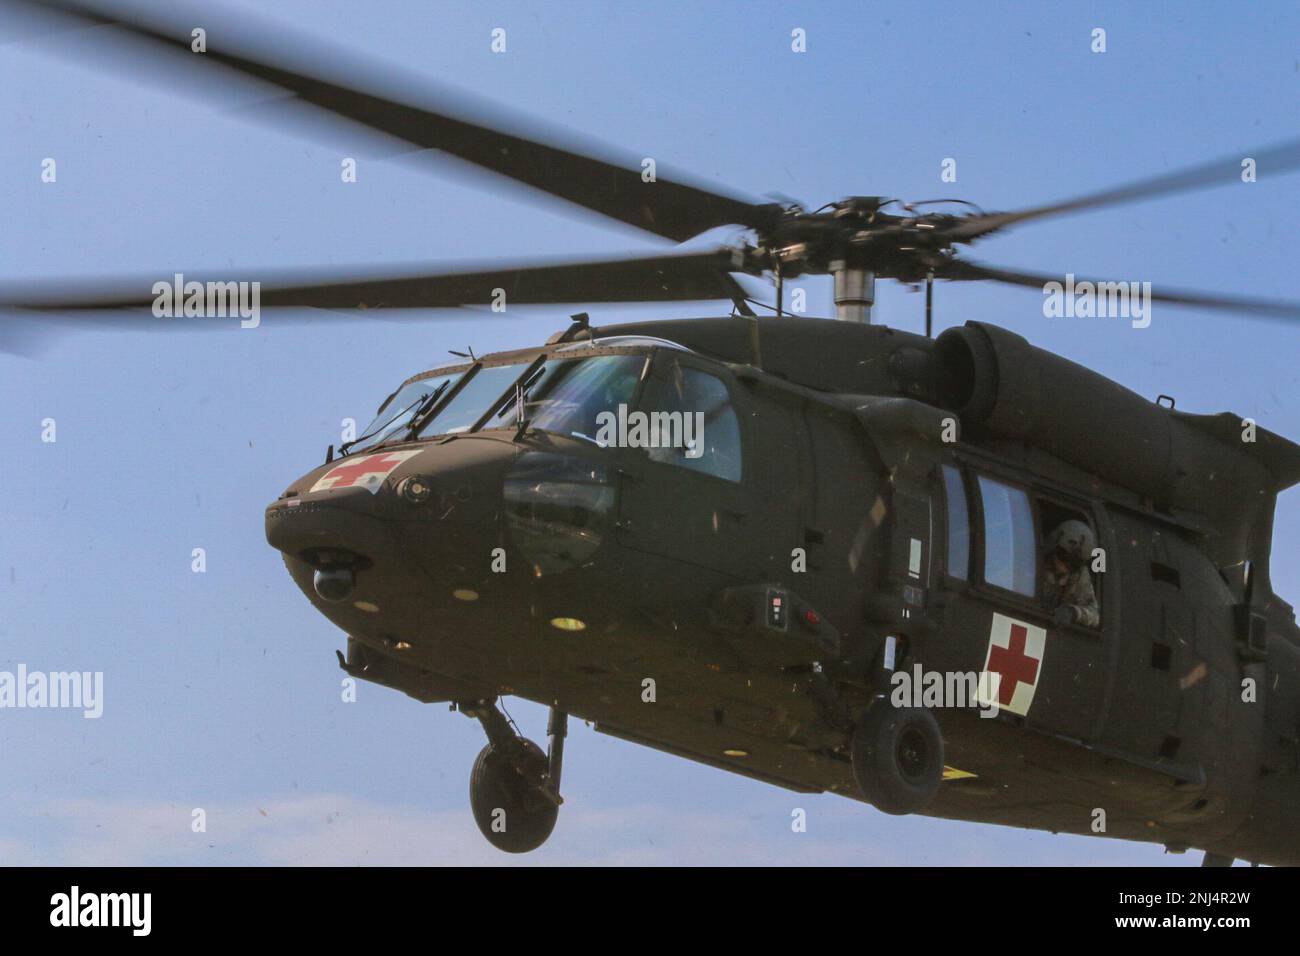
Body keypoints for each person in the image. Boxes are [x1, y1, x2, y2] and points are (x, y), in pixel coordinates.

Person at [1042, 519, 1100, 628]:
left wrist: (1074, 612)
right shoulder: (1035, 561)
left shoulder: (1079, 576)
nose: (1064, 566)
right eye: (1063, 556)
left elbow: (1094, 615)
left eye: (1073, 564)